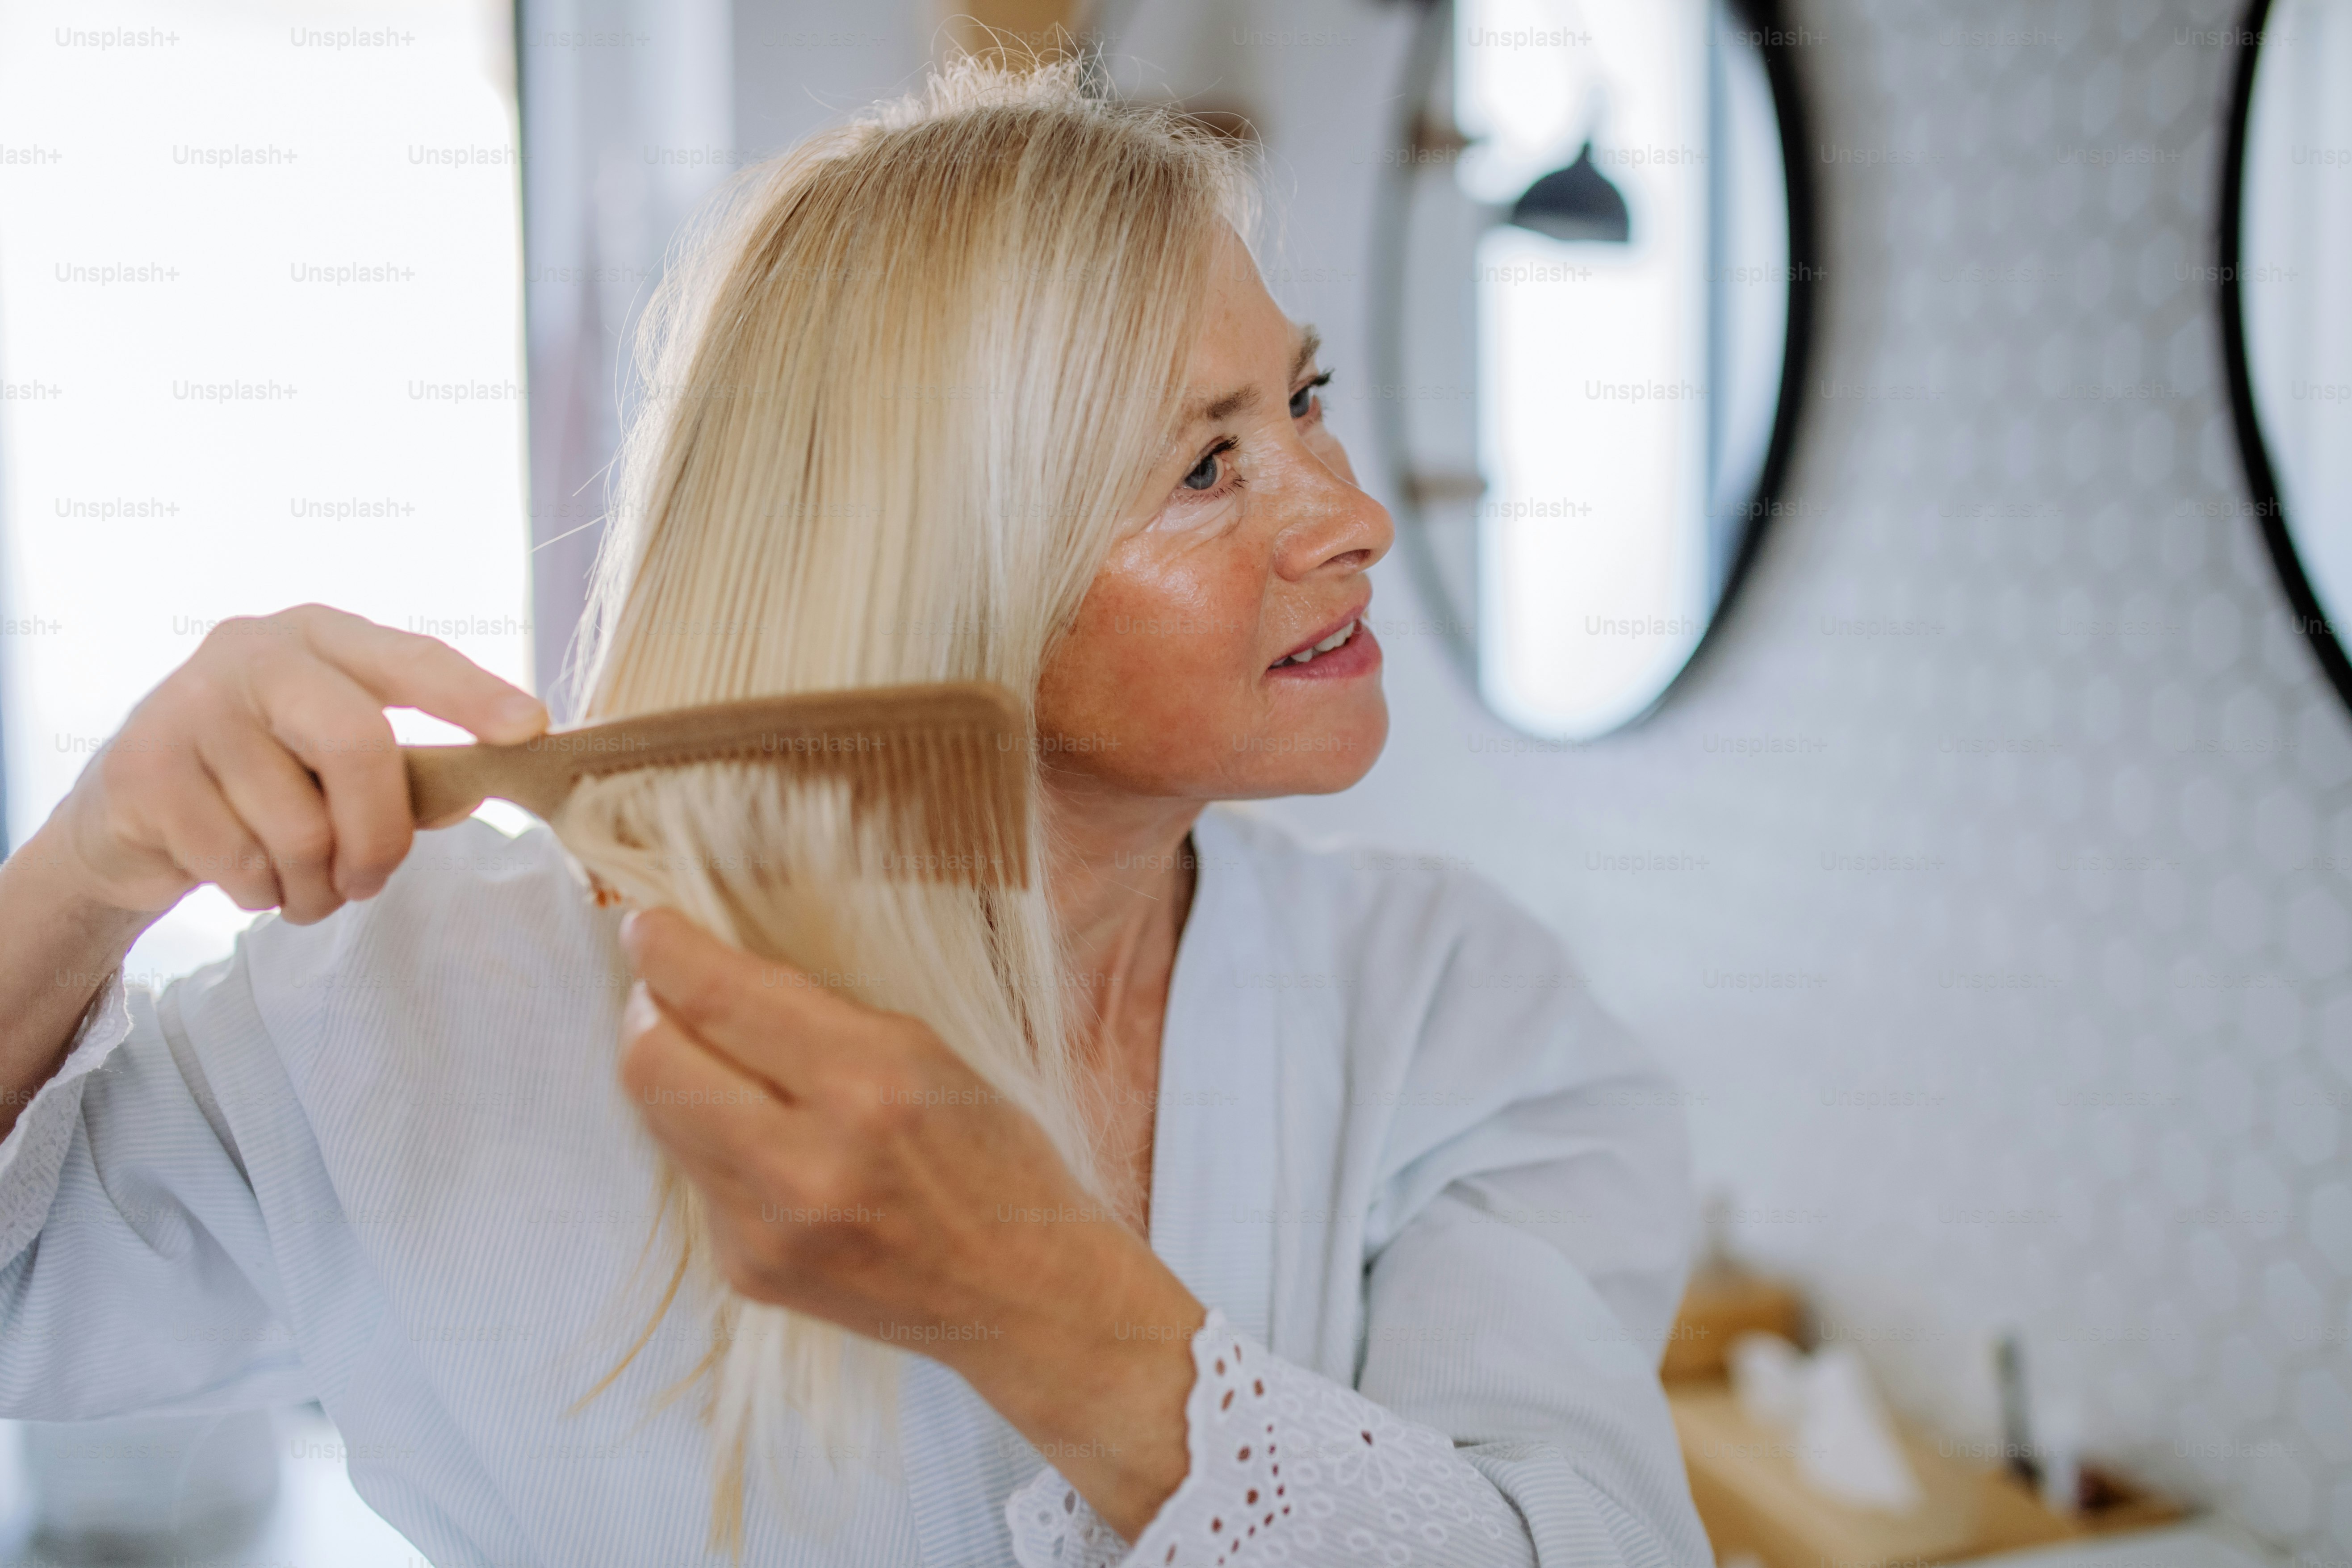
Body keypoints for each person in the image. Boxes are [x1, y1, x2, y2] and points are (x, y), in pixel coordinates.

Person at [0, 55, 1708, 1568]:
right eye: (1208, 465)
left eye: (1305, 404)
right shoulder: (404, 1015)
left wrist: (1044, 1303)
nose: (1353, 520)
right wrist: (87, 869)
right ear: (947, 564)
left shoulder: (1452, 1015)